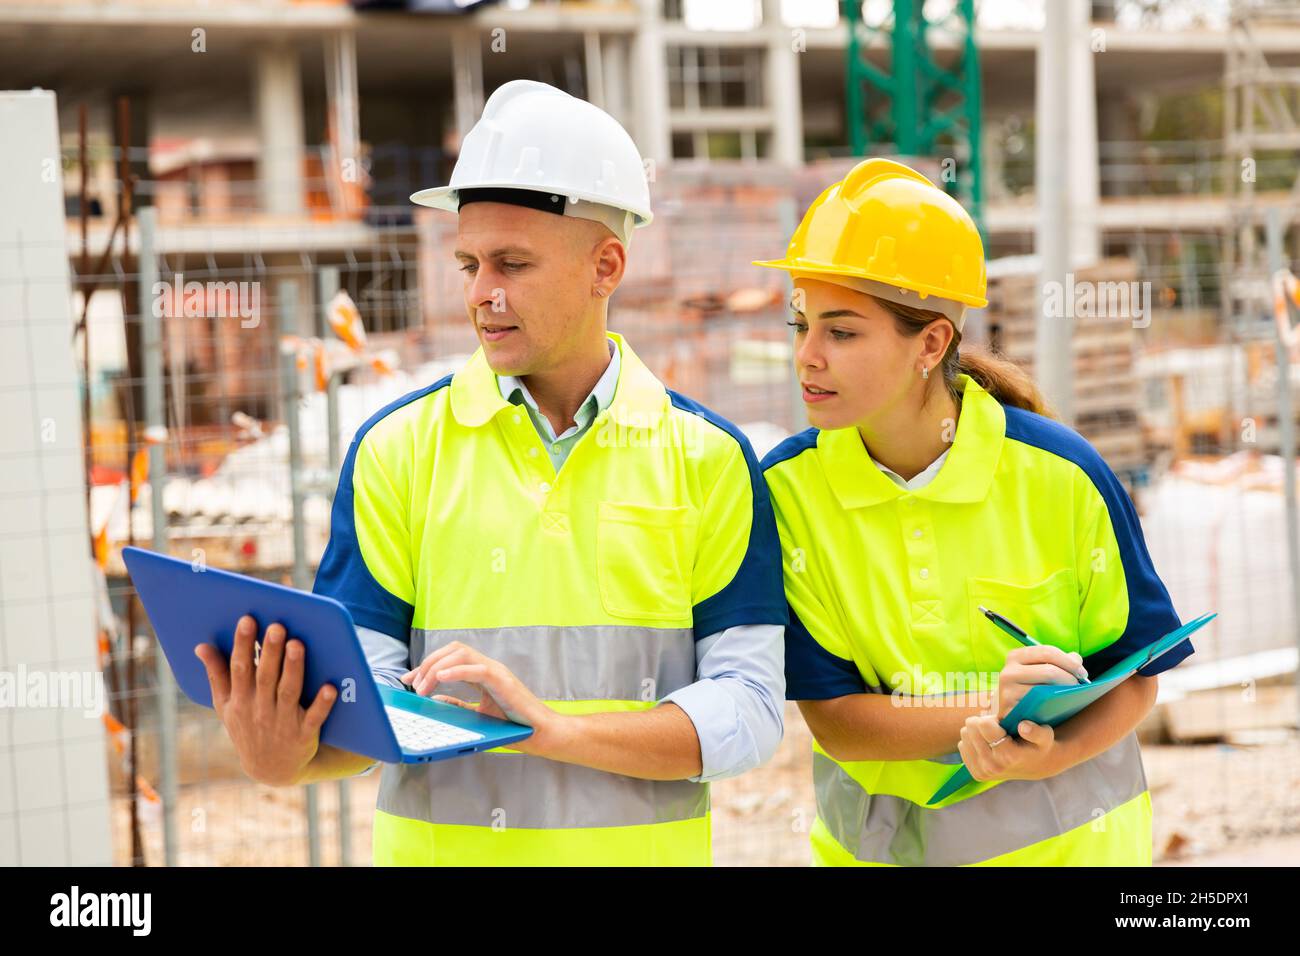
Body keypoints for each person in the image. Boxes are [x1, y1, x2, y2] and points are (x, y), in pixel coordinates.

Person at [196, 80, 787, 866]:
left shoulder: (709, 459)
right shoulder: (396, 451)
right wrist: (284, 756)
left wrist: (557, 732)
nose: (481, 294)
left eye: (512, 263)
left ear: (605, 265)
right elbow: (360, 711)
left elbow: (750, 711)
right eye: (469, 262)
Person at [754, 157, 1194, 866]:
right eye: (799, 323)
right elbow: (837, 722)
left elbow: (1137, 671)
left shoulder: (1064, 476)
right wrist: (994, 706)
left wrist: (1055, 754)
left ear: (930, 343)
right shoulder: (787, 495)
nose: (806, 356)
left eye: (841, 332)